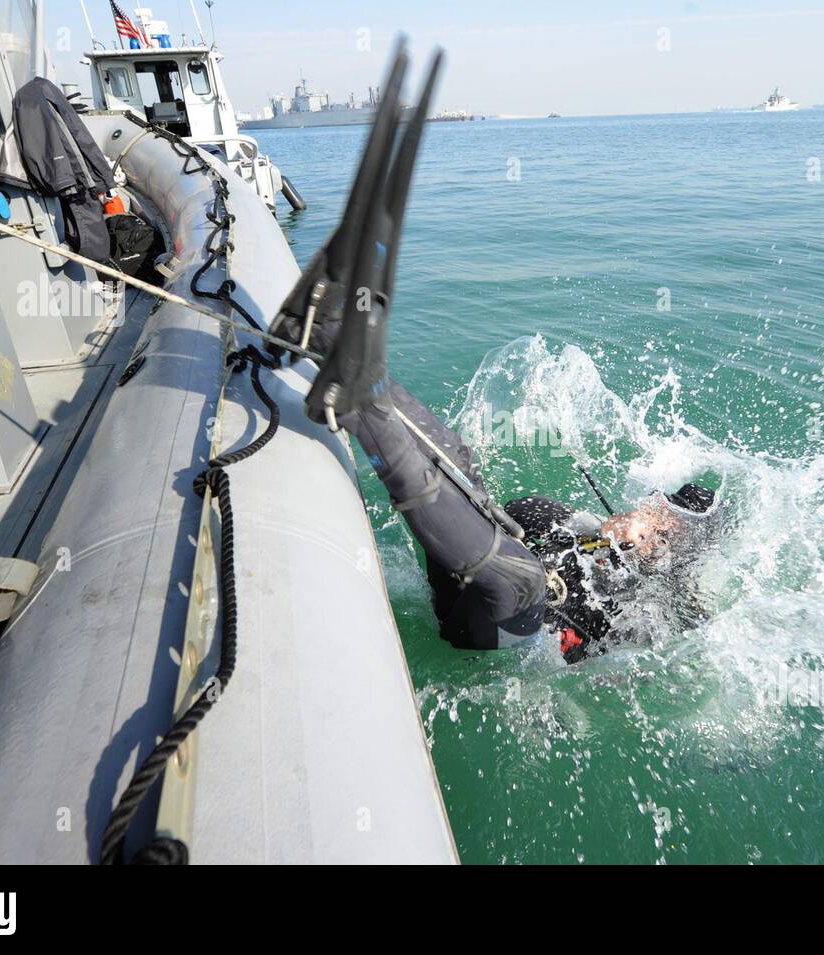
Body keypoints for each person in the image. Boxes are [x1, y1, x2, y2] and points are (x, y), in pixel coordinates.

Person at [269, 43, 714, 663]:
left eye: (660, 532)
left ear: (666, 553)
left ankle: (357, 392)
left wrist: (622, 598)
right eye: (653, 512)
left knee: (523, 580)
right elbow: (515, 512)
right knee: (456, 454)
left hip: (493, 633)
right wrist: (587, 536)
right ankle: (321, 333)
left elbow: (636, 660)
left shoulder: (644, 605)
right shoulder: (572, 523)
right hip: (468, 585)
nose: (644, 521)